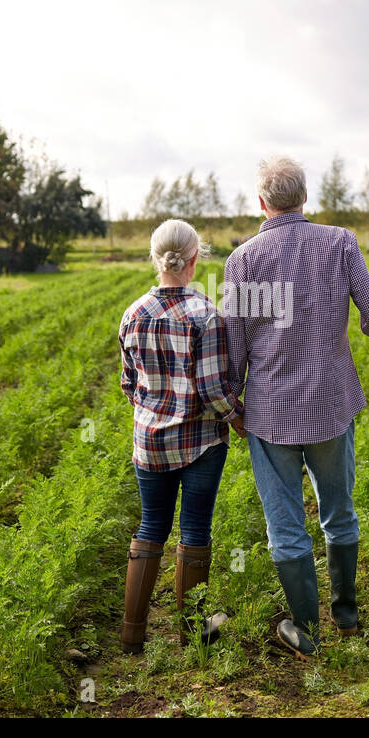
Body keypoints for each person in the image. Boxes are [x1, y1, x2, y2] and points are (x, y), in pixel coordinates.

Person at [222, 156, 369, 659]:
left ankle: (305, 630)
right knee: (339, 510)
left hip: (270, 412)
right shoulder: (339, 243)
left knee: (285, 525)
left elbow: (232, 343)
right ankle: (348, 615)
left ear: (262, 203)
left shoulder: (243, 259)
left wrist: (232, 405)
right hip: (331, 404)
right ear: (305, 198)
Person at [117, 218, 245, 653]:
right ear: (195, 260)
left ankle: (132, 632)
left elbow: (129, 383)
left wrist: (154, 409)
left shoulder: (133, 313)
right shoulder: (206, 313)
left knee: (151, 524)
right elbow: (212, 390)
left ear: (156, 258)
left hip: (149, 442)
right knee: (194, 529)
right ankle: (192, 634)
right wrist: (236, 417)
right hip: (200, 443)